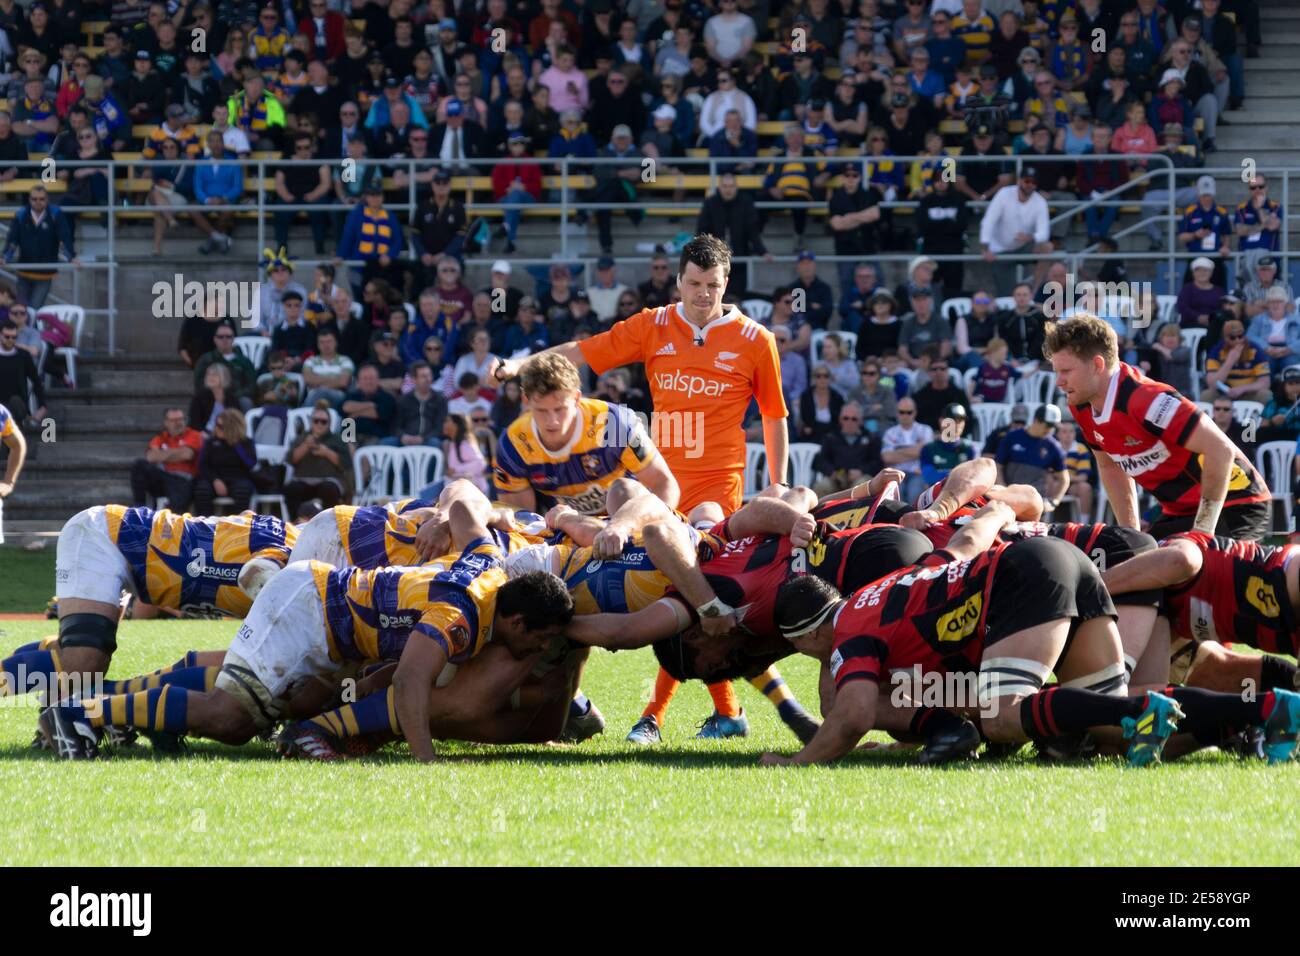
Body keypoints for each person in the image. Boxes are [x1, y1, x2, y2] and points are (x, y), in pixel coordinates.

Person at [491, 234, 801, 744]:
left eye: (713, 285)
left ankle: (657, 715)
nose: (703, 294)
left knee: (688, 587)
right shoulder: (653, 325)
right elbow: (583, 352)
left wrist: (779, 482)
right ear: (678, 280)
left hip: (717, 487)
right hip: (659, 484)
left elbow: (774, 415)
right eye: (695, 283)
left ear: (727, 285)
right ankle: (722, 712)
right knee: (676, 591)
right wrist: (524, 365)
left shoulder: (754, 339)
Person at [765, 502, 1300, 767]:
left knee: (1005, 716)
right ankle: (1259, 713)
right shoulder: (892, 586)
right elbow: (971, 537)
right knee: (1113, 729)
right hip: (1067, 557)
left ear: (804, 638)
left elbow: (852, 714)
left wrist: (796, 762)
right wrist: (999, 511)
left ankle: (1207, 714)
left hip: (1028, 577)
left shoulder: (850, 633)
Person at [41, 498, 575, 762]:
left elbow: (464, 507)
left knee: (286, 706)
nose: (539, 650)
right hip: (309, 609)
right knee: (233, 718)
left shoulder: (490, 564)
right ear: (516, 620)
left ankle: (116, 708)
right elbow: (410, 680)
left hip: (326, 616)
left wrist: (460, 516)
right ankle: (81, 710)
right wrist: (426, 763)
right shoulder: (458, 611)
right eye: (539, 639)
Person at [1046, 312, 1270, 541]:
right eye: (1056, 372)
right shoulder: (1081, 403)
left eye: (1066, 371)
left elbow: (1220, 449)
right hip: (1180, 512)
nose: (1059, 382)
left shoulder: (1146, 399)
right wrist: (1131, 536)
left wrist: (1202, 534)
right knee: (1135, 564)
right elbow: (1110, 467)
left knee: (1179, 565)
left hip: (1236, 503)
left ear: (1097, 365)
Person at [494, 352, 676, 514]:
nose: (552, 421)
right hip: (571, 529)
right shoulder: (513, 444)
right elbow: (520, 519)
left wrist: (640, 528)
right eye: (541, 411)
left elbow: (664, 484)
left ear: (576, 398)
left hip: (634, 515)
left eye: (560, 409)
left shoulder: (613, 422)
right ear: (526, 400)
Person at [2, 185, 78, 308]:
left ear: (47, 199)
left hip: (45, 273)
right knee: (22, 309)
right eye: (34, 199)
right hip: (24, 272)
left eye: (41, 199)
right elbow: (12, 240)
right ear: (29, 200)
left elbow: (64, 238)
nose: (38, 202)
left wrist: (71, 257)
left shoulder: (55, 214)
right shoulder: (21, 214)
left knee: (33, 310)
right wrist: (5, 257)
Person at [979, 166, 1050, 296]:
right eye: (1027, 181)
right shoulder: (1004, 194)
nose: (1030, 185)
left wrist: (1031, 238)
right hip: (1000, 251)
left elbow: (1044, 233)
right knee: (1008, 295)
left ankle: (1034, 291)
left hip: (1023, 247)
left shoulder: (1040, 201)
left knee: (1047, 247)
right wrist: (985, 247)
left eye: (1034, 182)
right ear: (1019, 181)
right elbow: (988, 221)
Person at [995, 403, 1070, 514]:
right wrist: (1003, 489)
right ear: (1036, 420)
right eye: (1047, 425)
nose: (1049, 430)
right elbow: (998, 466)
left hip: (1034, 504)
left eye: (1052, 427)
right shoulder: (1012, 437)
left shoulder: (1053, 446)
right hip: (1007, 499)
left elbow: (1064, 479)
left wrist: (1054, 502)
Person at [284, 403, 353, 516]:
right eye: (316, 421)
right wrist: (306, 446)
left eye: (323, 421)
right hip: (303, 479)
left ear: (329, 424)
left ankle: (328, 524)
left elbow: (346, 464)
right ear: (311, 422)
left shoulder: (336, 440)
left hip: (329, 480)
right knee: (292, 489)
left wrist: (326, 452)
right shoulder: (302, 438)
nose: (319, 424)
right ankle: (296, 523)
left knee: (329, 489)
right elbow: (291, 460)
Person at [129, 408, 202, 512]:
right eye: (174, 420)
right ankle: (139, 509)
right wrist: (177, 453)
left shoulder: (194, 435)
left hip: (184, 480)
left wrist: (163, 453)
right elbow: (151, 457)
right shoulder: (161, 437)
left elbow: (187, 455)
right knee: (139, 465)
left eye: (180, 419)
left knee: (174, 515)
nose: (178, 423)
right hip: (163, 477)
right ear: (166, 423)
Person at [192, 408, 257, 515]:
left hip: (238, 478)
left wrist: (236, 444)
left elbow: (250, 464)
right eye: (216, 425)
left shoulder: (246, 443)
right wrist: (215, 480)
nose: (217, 429)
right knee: (202, 490)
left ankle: (239, 525)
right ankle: (204, 526)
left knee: (243, 490)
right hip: (214, 478)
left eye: (221, 426)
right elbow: (202, 466)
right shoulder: (211, 442)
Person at [1203, 317, 1271, 404]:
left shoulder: (1255, 350)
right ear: (1225, 338)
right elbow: (1212, 384)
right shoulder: (1216, 352)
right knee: (1206, 395)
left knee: (1266, 395)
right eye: (1232, 338)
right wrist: (1229, 362)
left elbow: (1265, 383)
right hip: (1225, 394)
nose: (1238, 340)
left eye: (1240, 336)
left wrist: (1242, 389)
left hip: (1249, 393)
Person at [882, 396, 934, 502]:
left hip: (918, 473)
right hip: (896, 474)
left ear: (915, 412)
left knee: (913, 495)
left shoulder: (925, 430)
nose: (905, 415)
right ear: (897, 413)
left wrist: (897, 452)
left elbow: (925, 452)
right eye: (902, 412)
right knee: (894, 498)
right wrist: (915, 450)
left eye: (909, 412)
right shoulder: (890, 432)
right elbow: (886, 457)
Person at [193, 325, 255, 407]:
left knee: (246, 402)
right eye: (220, 337)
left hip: (237, 398)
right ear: (215, 339)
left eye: (228, 337)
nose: (224, 340)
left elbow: (251, 385)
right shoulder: (206, 360)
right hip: (211, 397)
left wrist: (234, 396)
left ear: (233, 339)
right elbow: (198, 382)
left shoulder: (244, 361)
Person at [1246, 286, 1300, 378]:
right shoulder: (1259, 319)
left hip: (1289, 350)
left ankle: (1292, 391)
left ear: (1285, 303)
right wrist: (1266, 348)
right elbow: (1250, 336)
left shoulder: (1296, 319)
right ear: (1267, 304)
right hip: (1267, 350)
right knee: (1265, 364)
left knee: (1291, 364)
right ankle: (1267, 390)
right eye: (1272, 302)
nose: (1276, 305)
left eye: (1279, 302)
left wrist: (1289, 349)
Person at [340, 364, 397, 445]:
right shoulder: (351, 395)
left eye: (371, 378)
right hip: (349, 434)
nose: (368, 382)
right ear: (358, 381)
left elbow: (379, 413)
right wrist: (371, 405)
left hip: (374, 436)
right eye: (365, 378)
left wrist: (354, 412)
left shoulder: (387, 397)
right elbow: (345, 408)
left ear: (378, 379)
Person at [302, 327, 355, 407]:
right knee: (317, 393)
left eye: (329, 341)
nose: (326, 345)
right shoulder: (310, 361)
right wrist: (334, 378)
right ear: (318, 345)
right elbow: (308, 379)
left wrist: (317, 381)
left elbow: (343, 382)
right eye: (322, 342)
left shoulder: (345, 360)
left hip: (337, 397)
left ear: (336, 343)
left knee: (320, 392)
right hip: (314, 397)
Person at [442, 411, 490, 492]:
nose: (444, 424)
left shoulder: (465, 443)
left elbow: (480, 464)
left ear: (456, 425)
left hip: (475, 492)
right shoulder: (452, 443)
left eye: (447, 421)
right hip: (462, 490)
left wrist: (456, 470)